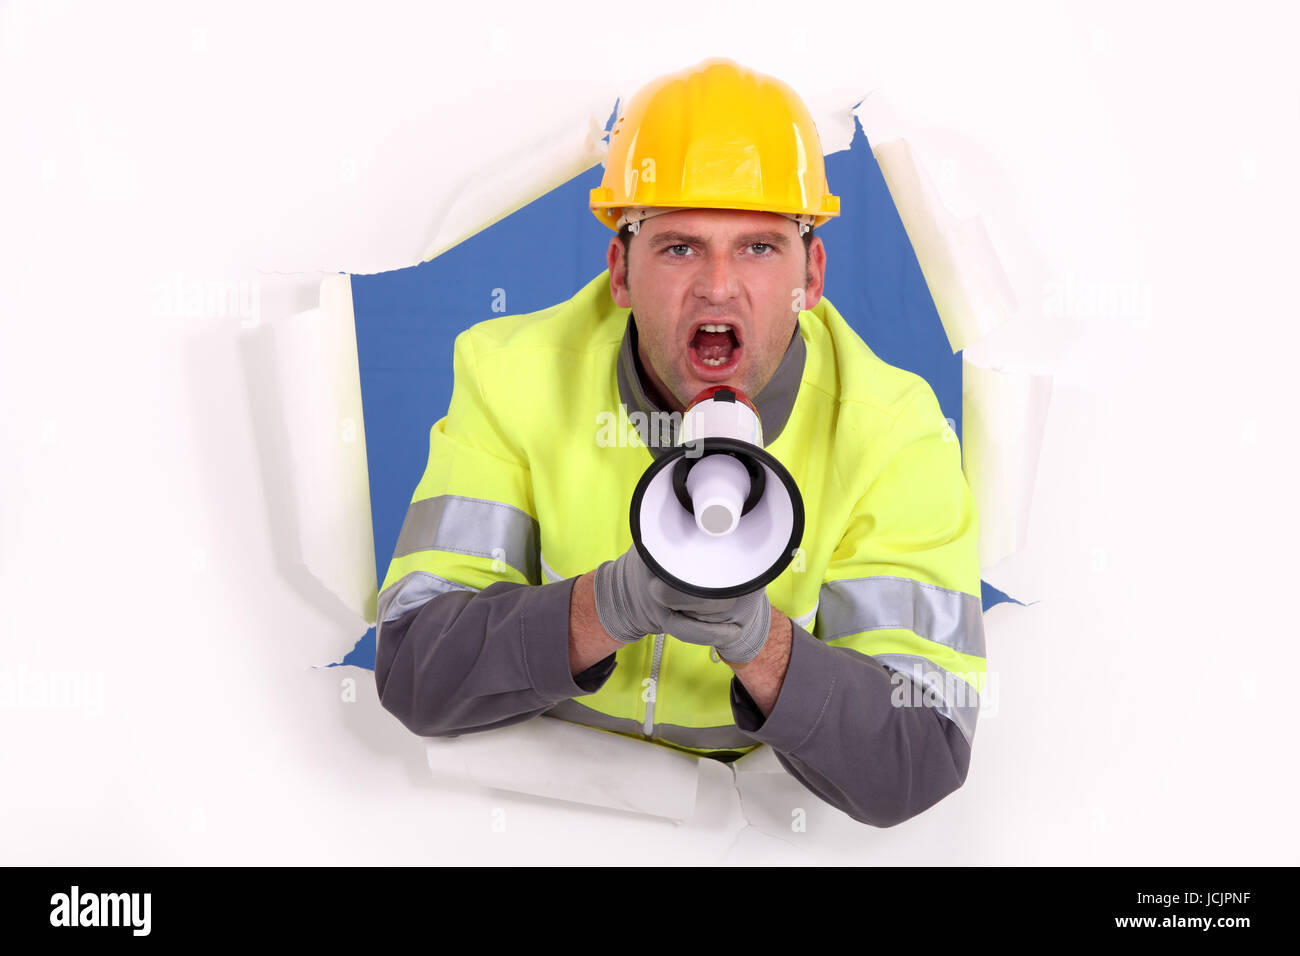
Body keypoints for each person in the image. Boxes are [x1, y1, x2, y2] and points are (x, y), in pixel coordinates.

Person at [374, 58, 986, 827]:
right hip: (541, 817)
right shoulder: (509, 378)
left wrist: (765, 647)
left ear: (814, 273)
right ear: (620, 271)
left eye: (760, 248)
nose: (719, 287)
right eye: (678, 247)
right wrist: (608, 604)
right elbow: (415, 672)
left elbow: (921, 753)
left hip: (755, 830)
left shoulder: (893, 434)